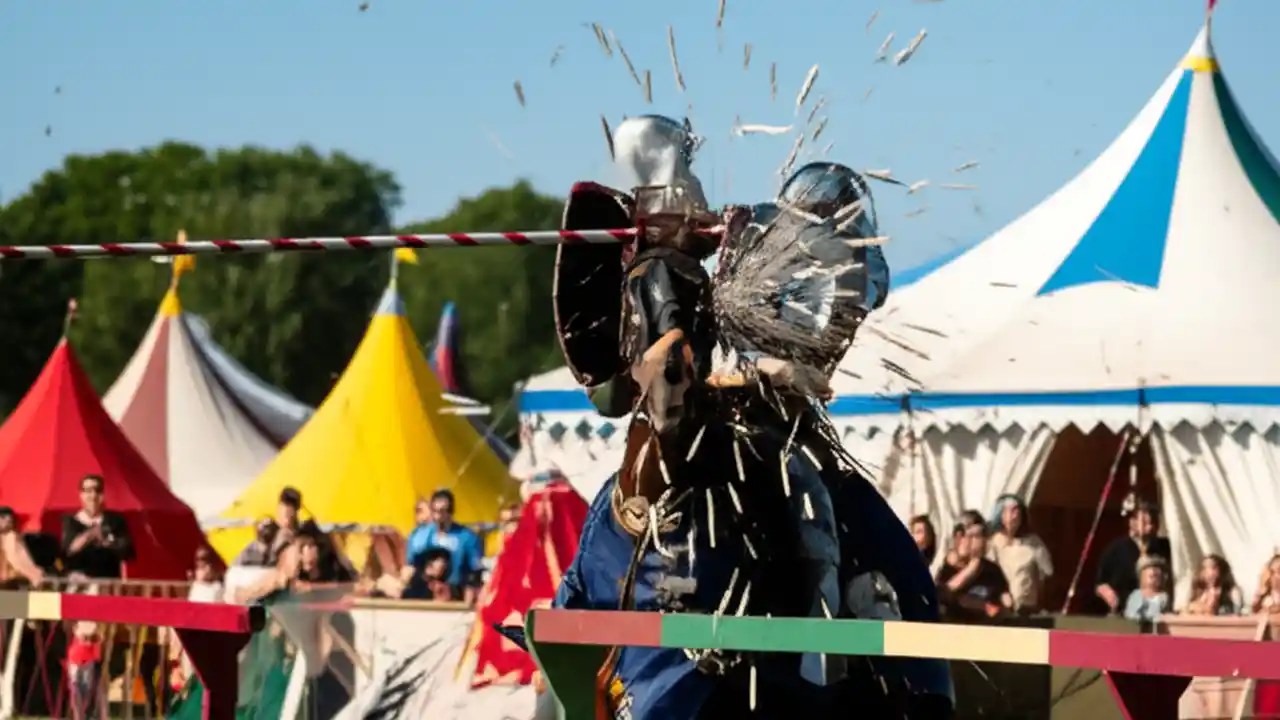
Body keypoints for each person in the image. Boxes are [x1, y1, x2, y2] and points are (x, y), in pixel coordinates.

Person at [548, 135, 952, 718]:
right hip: (725, 414)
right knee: (597, 566)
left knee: (882, 559)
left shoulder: (782, 258)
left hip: (787, 435)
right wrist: (667, 248)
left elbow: (800, 361)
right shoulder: (748, 253)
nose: (848, 324)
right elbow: (688, 354)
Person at [404, 489, 483, 605]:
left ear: (451, 512)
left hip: (455, 595)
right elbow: (411, 566)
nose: (438, 516)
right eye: (435, 511)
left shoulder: (468, 538)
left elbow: (475, 573)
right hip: (423, 595)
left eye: (442, 511)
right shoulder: (419, 535)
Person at [1095, 499, 1172, 615]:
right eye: (1144, 522)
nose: (1148, 526)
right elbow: (1100, 582)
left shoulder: (1164, 547)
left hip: (1157, 610)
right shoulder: (1116, 549)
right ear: (1131, 522)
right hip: (1123, 612)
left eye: (1151, 521)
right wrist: (1105, 591)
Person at [936, 515, 1012, 621]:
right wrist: (972, 567)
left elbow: (1004, 597)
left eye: (982, 536)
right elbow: (944, 593)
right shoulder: (948, 566)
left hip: (987, 629)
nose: (979, 541)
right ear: (959, 538)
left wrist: (1006, 607)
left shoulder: (992, 569)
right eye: (973, 536)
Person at [986, 494, 1054, 614]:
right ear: (1001, 514)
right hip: (1000, 608)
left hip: (1027, 608)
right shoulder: (992, 544)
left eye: (1018, 510)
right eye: (1011, 510)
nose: (1016, 514)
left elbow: (1048, 572)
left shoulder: (1034, 543)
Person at [61, 474, 134, 579]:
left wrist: (106, 541)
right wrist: (87, 536)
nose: (93, 496)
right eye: (88, 491)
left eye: (98, 490)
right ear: (81, 494)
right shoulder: (71, 522)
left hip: (108, 582)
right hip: (80, 583)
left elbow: (128, 551)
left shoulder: (115, 521)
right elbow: (65, 552)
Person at [0, 507, 43, 587]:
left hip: (14, 579)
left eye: (10, 521)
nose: (8, 523)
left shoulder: (11, 537)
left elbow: (16, 559)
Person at [1123, 556, 1170, 622]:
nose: (1154, 571)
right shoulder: (1135, 595)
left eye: (1157, 568)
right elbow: (1130, 615)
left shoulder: (1163, 597)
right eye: (1149, 568)